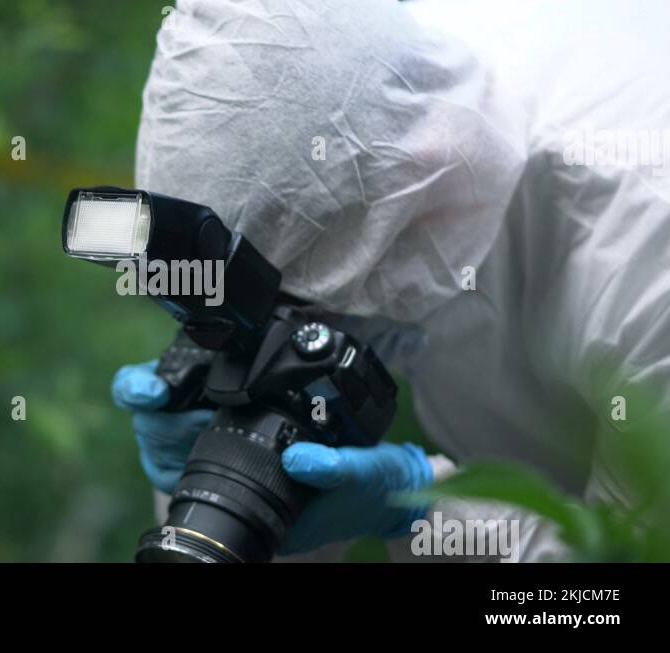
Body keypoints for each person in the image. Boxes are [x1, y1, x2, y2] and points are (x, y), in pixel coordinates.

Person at [111, 0, 670, 562]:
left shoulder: (644, 257)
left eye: (295, 304)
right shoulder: (369, 88)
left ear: (387, 222)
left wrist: (426, 514)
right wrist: (212, 470)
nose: (286, 331)